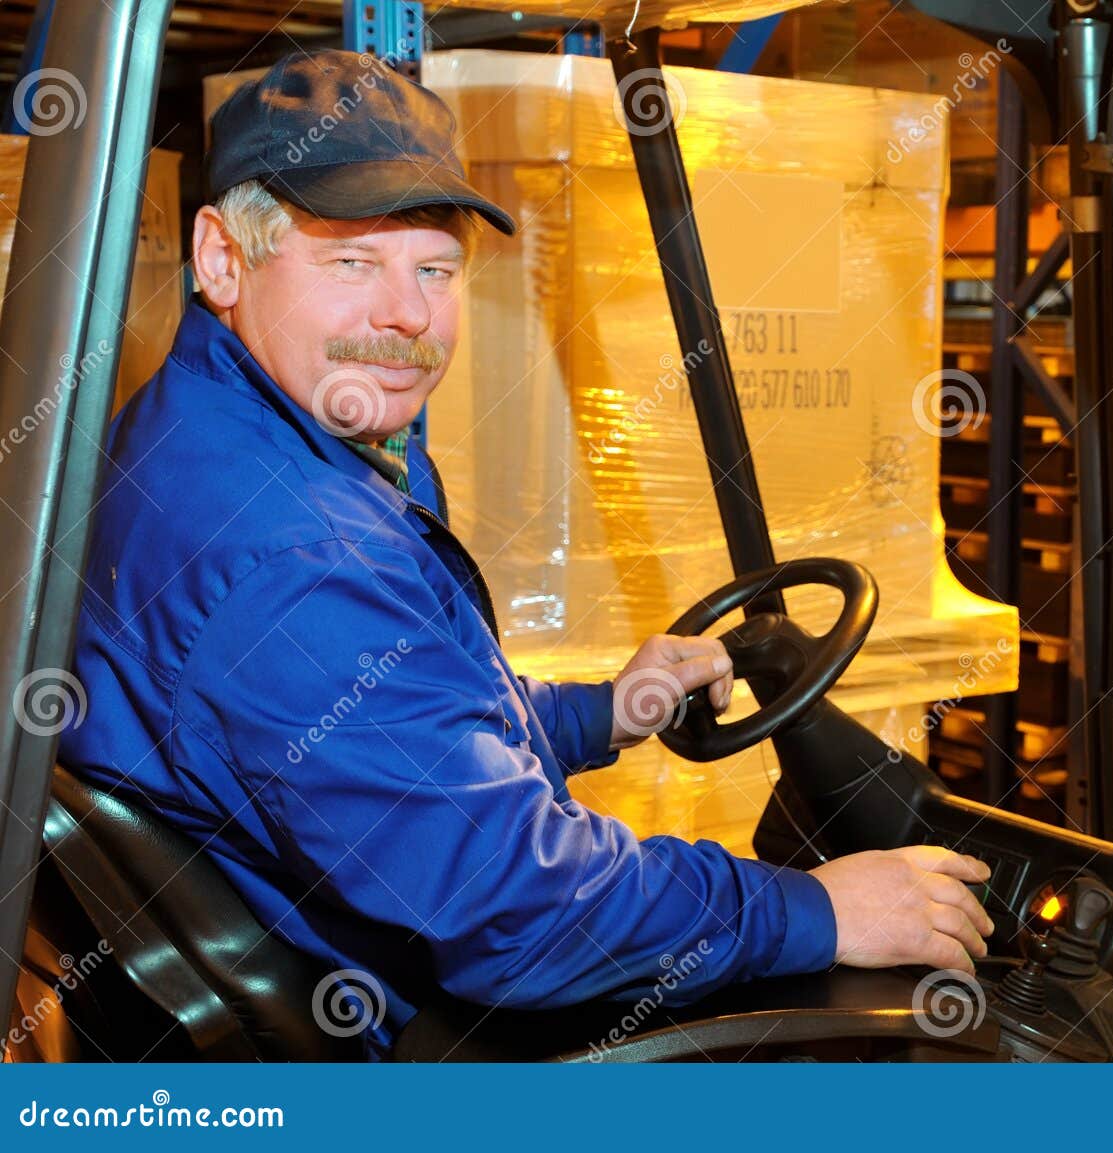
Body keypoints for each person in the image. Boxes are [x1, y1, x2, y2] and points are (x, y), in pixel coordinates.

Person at [58, 49, 992, 1057]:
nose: (407, 315)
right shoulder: (295, 558)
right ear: (221, 259)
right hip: (416, 1027)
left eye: (435, 268)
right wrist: (815, 911)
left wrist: (605, 709)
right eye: (352, 262)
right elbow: (517, 906)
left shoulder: (232, 428)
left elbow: (408, 719)